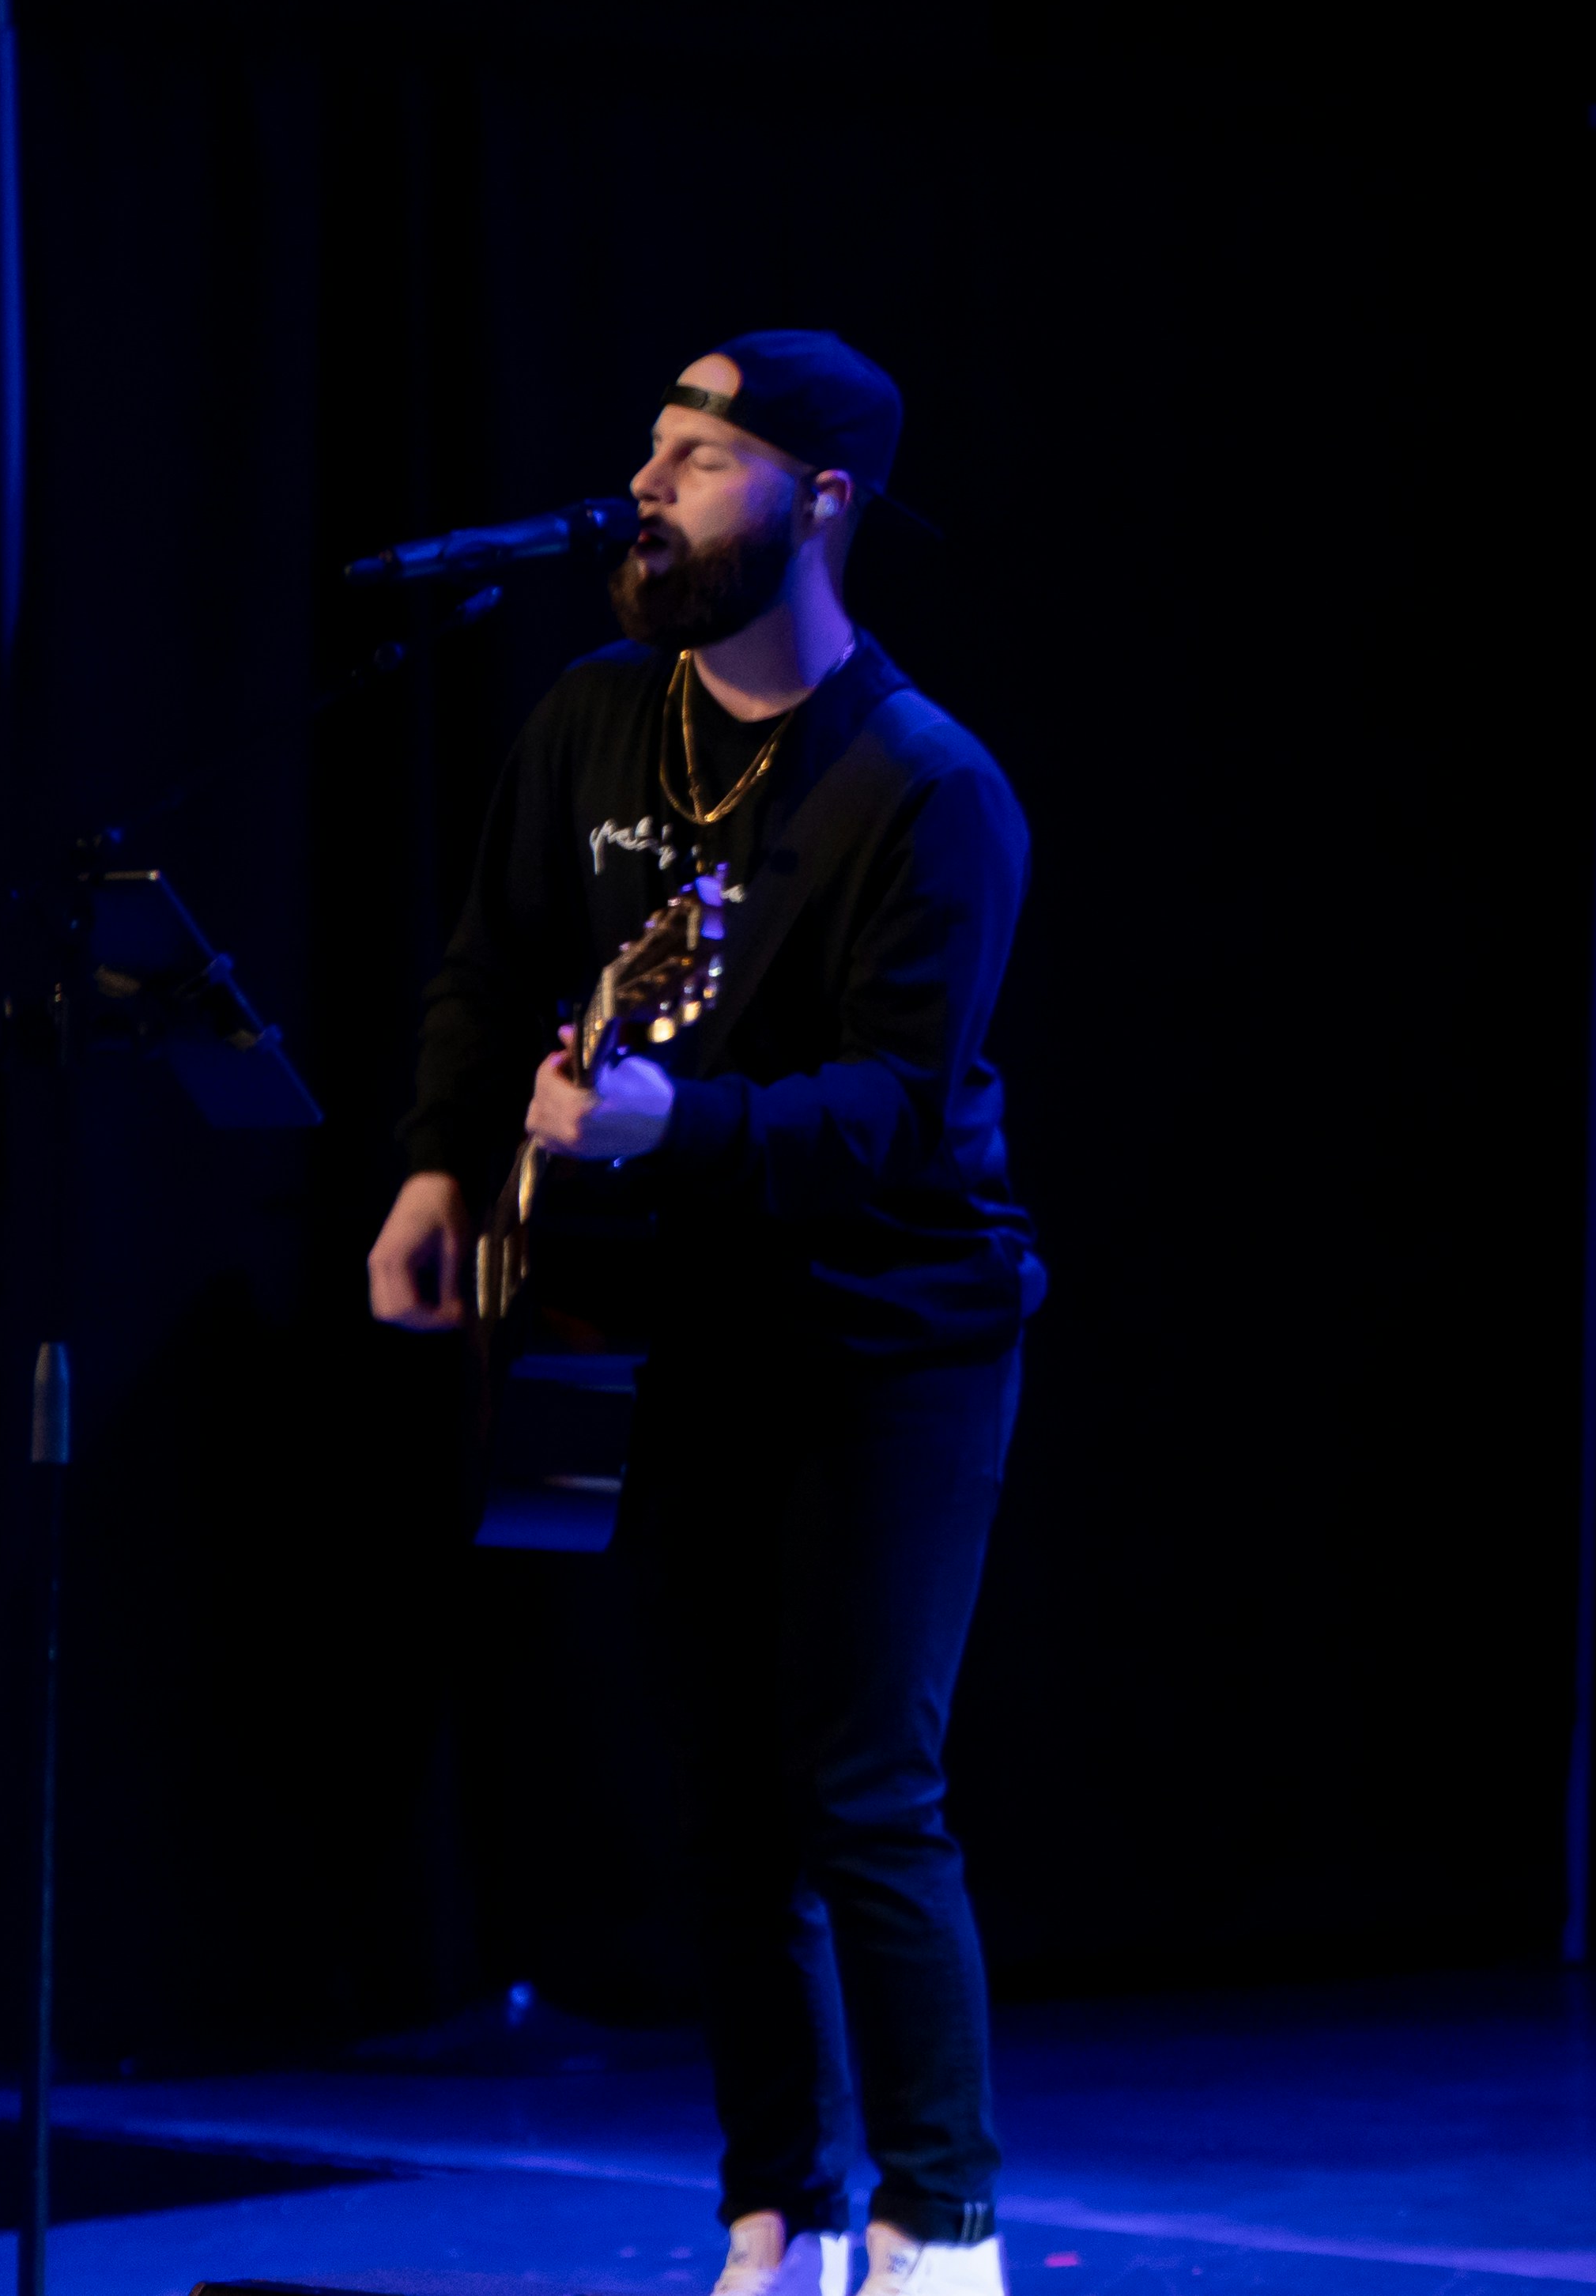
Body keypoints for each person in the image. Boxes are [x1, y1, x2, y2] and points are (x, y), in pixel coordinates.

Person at [369, 331, 1035, 2296]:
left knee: (864, 1790)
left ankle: (939, 2227)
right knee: (714, 1796)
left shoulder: (929, 787)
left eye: (698, 455)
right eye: (649, 445)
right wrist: (432, 1166)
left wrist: (680, 1120)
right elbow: (490, 969)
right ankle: (779, 2214)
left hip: (881, 1336)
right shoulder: (593, 718)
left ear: (820, 501)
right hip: (633, 1323)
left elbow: (903, 1113)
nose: (646, 483)